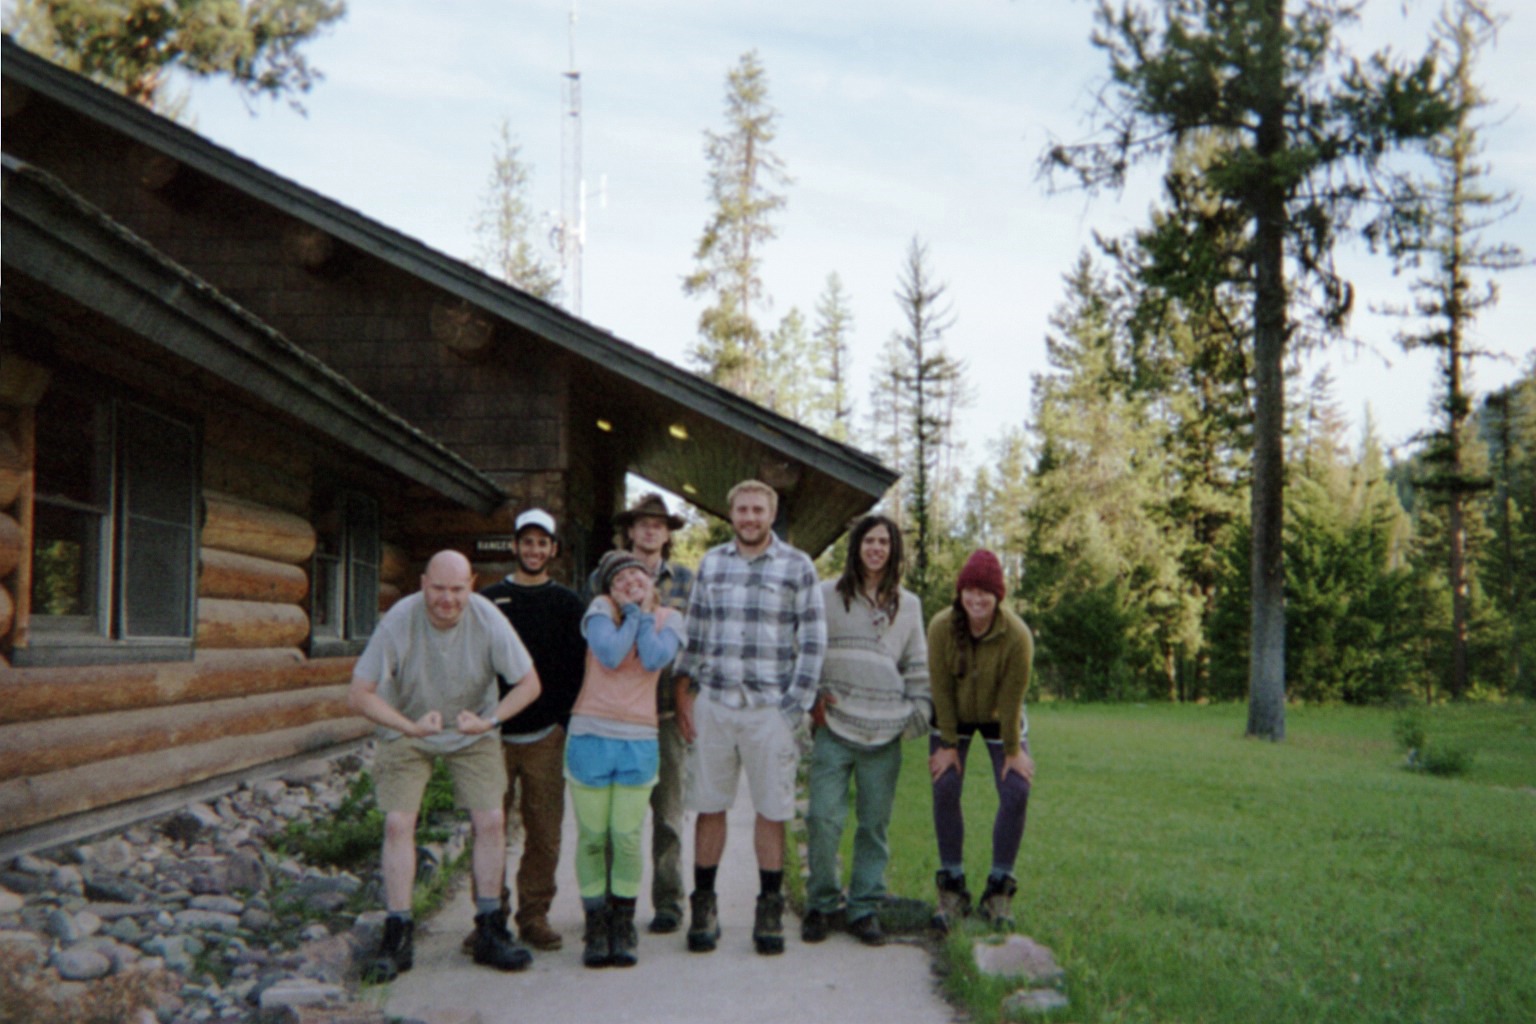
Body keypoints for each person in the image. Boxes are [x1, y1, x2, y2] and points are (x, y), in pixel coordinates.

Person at [349, 550, 542, 981]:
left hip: (472, 729)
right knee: (399, 823)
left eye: (457, 589)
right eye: (438, 588)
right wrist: (407, 727)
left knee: (491, 820)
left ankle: (490, 927)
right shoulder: (400, 618)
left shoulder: (488, 618)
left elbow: (530, 683)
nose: (448, 599)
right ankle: (398, 931)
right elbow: (359, 694)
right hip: (408, 726)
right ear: (423, 584)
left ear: (471, 584)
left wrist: (490, 720)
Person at [675, 479, 826, 956]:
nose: (750, 518)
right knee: (709, 805)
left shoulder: (797, 567)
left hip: (768, 710)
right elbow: (695, 635)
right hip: (716, 704)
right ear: (731, 513)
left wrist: (793, 708)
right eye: (742, 509)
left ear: (771, 513)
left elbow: (813, 642)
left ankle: (769, 908)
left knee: (771, 810)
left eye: (758, 510)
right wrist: (686, 692)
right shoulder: (713, 564)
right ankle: (704, 906)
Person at [803, 515, 931, 946]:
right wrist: (813, 698)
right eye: (869, 541)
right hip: (835, 728)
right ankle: (820, 904)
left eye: (884, 542)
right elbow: (805, 651)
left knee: (873, 825)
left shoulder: (908, 605)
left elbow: (917, 666)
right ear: (856, 546)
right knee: (822, 818)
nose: (876, 548)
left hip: (884, 734)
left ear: (894, 550)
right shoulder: (825, 596)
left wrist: (915, 714)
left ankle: (863, 908)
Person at [567, 550, 687, 968]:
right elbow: (611, 655)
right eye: (619, 579)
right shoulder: (600, 611)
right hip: (590, 737)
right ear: (609, 591)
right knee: (593, 836)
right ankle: (596, 923)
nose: (630, 580)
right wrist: (631, 614)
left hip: (639, 740)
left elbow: (654, 658)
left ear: (652, 580)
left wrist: (639, 615)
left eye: (637, 574)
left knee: (627, 835)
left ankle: (623, 922)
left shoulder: (670, 619)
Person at [475, 508, 587, 952]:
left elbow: (578, 670)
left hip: (545, 736)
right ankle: (489, 914)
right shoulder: (488, 601)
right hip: (493, 735)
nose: (534, 549)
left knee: (544, 831)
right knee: (488, 829)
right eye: (527, 541)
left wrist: (562, 722)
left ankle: (534, 914)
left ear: (553, 550)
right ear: (515, 546)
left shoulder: (567, 603)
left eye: (543, 543)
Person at [586, 492, 695, 935]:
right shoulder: (604, 576)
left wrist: (689, 703)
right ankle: (615, 901)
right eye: (642, 522)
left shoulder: (686, 580)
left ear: (667, 533)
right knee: (615, 819)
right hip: (616, 718)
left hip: (665, 714)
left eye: (659, 523)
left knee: (668, 815)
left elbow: (694, 649)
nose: (650, 529)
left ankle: (669, 902)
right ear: (629, 530)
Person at [926, 549, 1035, 933]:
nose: (976, 600)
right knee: (946, 783)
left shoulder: (1017, 636)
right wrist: (949, 745)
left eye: (985, 593)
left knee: (1017, 789)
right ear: (960, 592)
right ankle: (952, 886)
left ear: (998, 596)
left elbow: (1012, 700)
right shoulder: (941, 626)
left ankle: (999, 888)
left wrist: (1011, 752)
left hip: (997, 717)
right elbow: (939, 686)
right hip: (951, 713)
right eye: (969, 591)